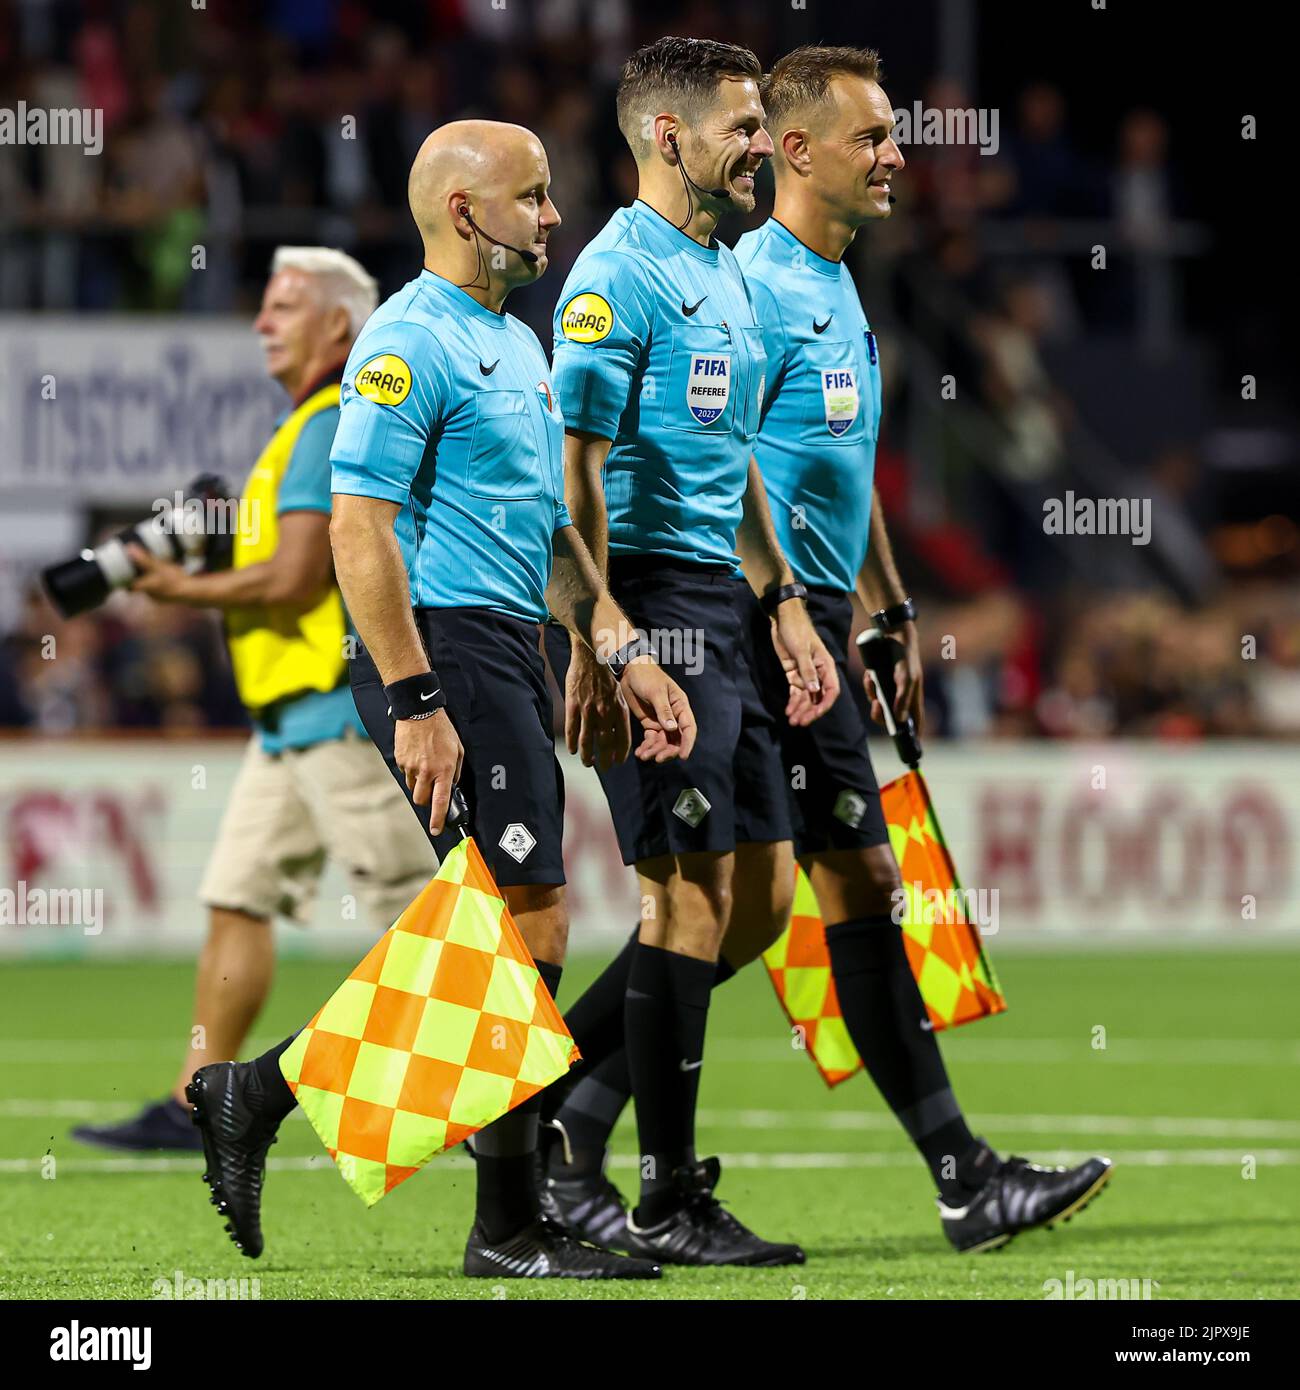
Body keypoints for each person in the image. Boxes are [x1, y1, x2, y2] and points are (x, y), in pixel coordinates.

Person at [545, 45, 1114, 1256]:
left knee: (776, 899)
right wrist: (610, 630)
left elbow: (820, 480)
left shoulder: (816, 283)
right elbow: (589, 470)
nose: (899, 158)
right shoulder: (725, 271)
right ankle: (609, 1147)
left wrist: (881, 606)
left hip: (781, 613)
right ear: (794, 150)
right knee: (725, 898)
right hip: (709, 617)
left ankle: (582, 1123)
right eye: (873, 138)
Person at [183, 119, 698, 1281]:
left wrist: (612, 645)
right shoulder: (406, 339)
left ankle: (256, 1094)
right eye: (534, 196)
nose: (554, 215)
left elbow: (550, 528)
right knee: (528, 925)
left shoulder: (512, 340)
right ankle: (507, 1225)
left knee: (496, 934)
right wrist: (415, 696)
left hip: (508, 641)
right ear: (466, 211)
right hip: (443, 649)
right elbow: (358, 524)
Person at [541, 36, 840, 1267]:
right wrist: (602, 635)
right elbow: (564, 485)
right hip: (648, 600)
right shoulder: (614, 278)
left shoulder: (722, 270)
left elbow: (742, 465)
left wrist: (782, 605)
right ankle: (666, 1189)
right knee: (686, 894)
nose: (762, 144)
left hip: (723, 598)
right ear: (665, 135)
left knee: (760, 901)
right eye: (740, 125)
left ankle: (550, 1098)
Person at [72, 247, 436, 1154]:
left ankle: (485, 1108)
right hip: (285, 727)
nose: (262, 322)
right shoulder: (296, 429)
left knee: (421, 913)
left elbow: (296, 575)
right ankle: (199, 1099)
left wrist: (173, 590)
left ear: (338, 327)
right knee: (237, 898)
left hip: (337, 718)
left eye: (284, 307)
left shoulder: (327, 421)